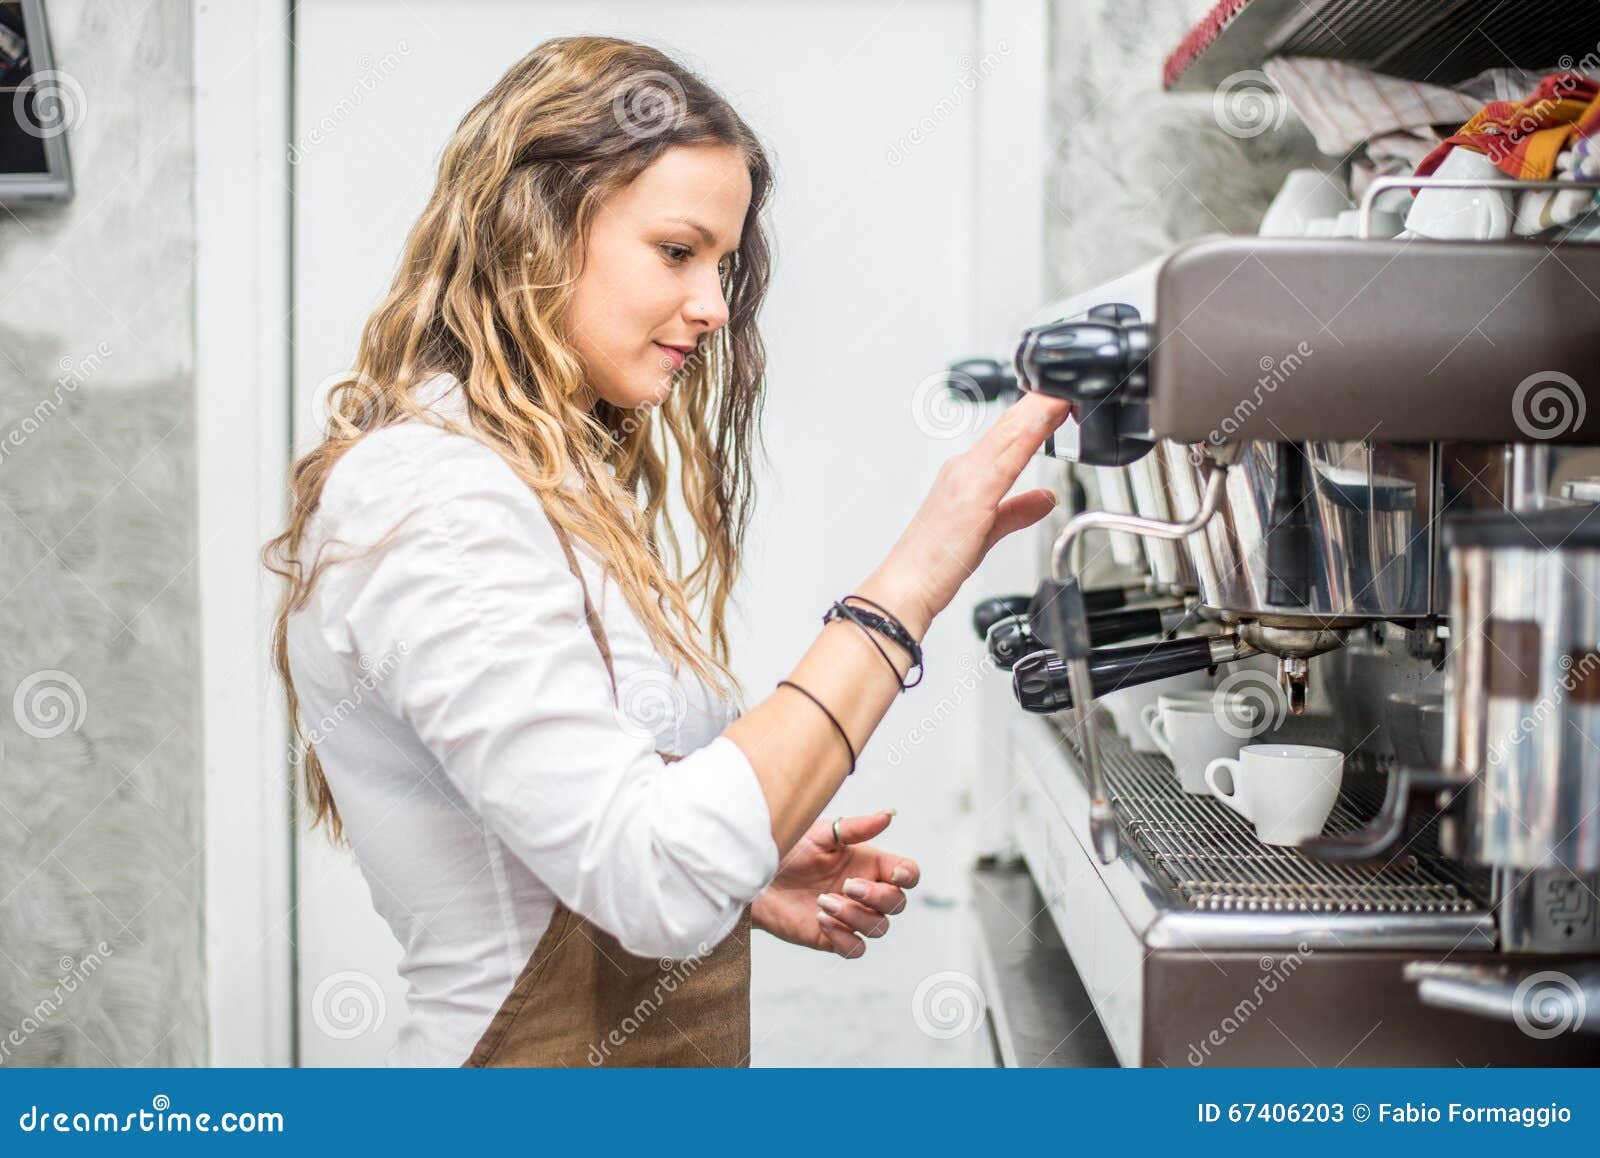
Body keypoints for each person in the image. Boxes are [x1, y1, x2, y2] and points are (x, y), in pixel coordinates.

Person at [265, 35, 1068, 1068]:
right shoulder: (434, 499)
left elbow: (595, 817)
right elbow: (647, 878)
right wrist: (907, 586)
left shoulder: (526, 477)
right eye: (678, 251)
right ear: (538, 229)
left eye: (723, 263)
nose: (715, 306)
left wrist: (745, 860)